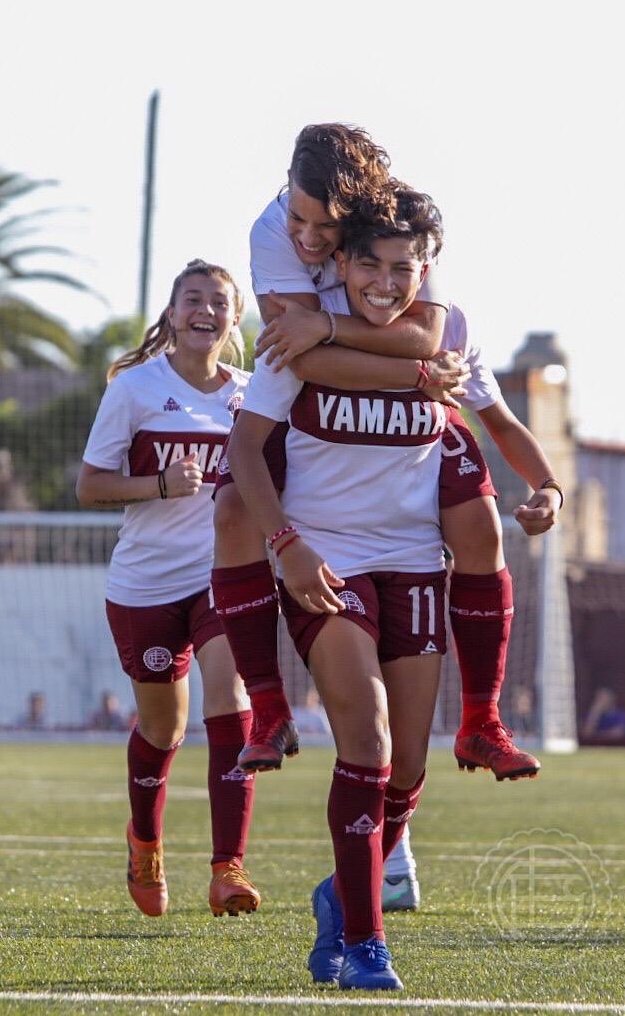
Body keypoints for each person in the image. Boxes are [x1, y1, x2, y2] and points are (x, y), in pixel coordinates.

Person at [212, 122, 558, 782]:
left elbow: (430, 336)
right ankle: (267, 704)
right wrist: (418, 377)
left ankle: (482, 719)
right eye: (299, 218)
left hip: (410, 469)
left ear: (358, 216)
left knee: (482, 525)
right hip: (323, 430)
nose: (307, 237)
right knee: (232, 511)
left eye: (326, 226)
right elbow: (303, 358)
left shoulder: (405, 228)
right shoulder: (273, 231)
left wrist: (550, 486)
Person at [227, 192, 449, 989]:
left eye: (402, 268)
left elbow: (483, 422)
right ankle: (364, 940)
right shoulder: (295, 335)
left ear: (426, 271)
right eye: (368, 264)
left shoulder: (449, 334)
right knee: (369, 740)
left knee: (407, 770)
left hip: (415, 561)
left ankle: (339, 892)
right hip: (328, 563)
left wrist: (540, 491)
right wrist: (286, 545)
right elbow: (245, 449)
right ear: (341, 266)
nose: (385, 282)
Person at [76, 260, 260, 919]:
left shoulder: (254, 394)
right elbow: (91, 485)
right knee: (164, 726)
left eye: (219, 301)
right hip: (145, 584)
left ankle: (227, 866)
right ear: (173, 313)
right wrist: (159, 484)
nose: (205, 310)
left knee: (230, 697)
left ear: (234, 319)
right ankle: (145, 841)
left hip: (221, 575)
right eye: (193, 299)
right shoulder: (134, 388)